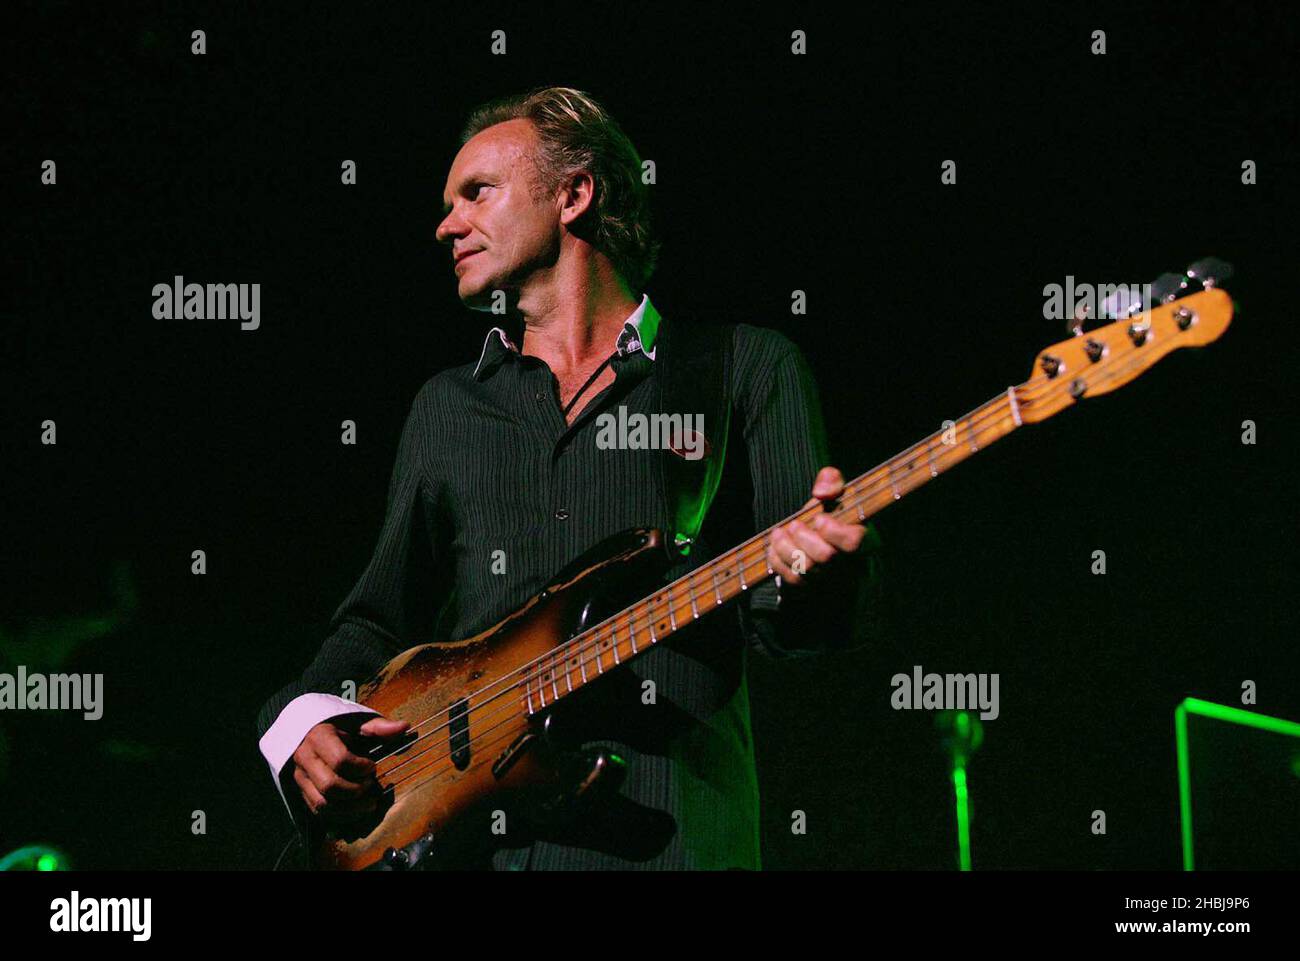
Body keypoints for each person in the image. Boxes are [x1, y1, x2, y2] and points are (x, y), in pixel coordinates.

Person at [256, 86, 884, 869]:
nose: (446, 224)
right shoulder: (446, 406)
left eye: (475, 192)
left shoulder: (743, 368)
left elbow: (799, 625)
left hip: (668, 843)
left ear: (574, 194)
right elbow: (375, 619)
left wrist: (819, 573)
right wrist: (298, 722)